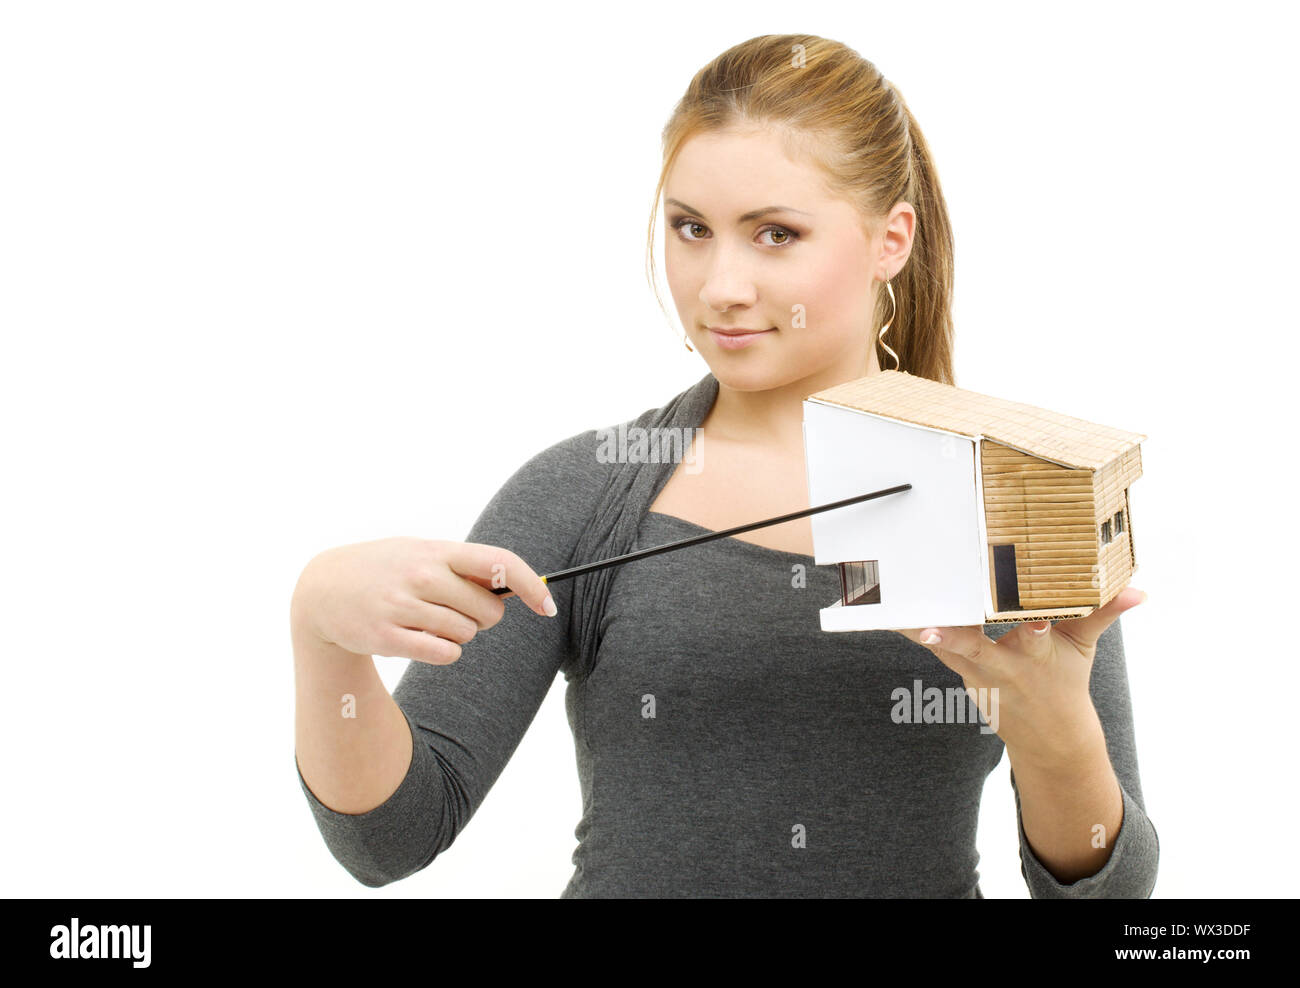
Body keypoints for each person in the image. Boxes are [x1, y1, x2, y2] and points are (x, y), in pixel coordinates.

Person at [291, 33, 1159, 897]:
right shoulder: (589, 494)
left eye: (775, 234)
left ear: (891, 239)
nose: (719, 286)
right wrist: (323, 633)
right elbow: (390, 841)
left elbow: (1112, 905)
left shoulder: (1012, 499)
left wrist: (1056, 734)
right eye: (691, 229)